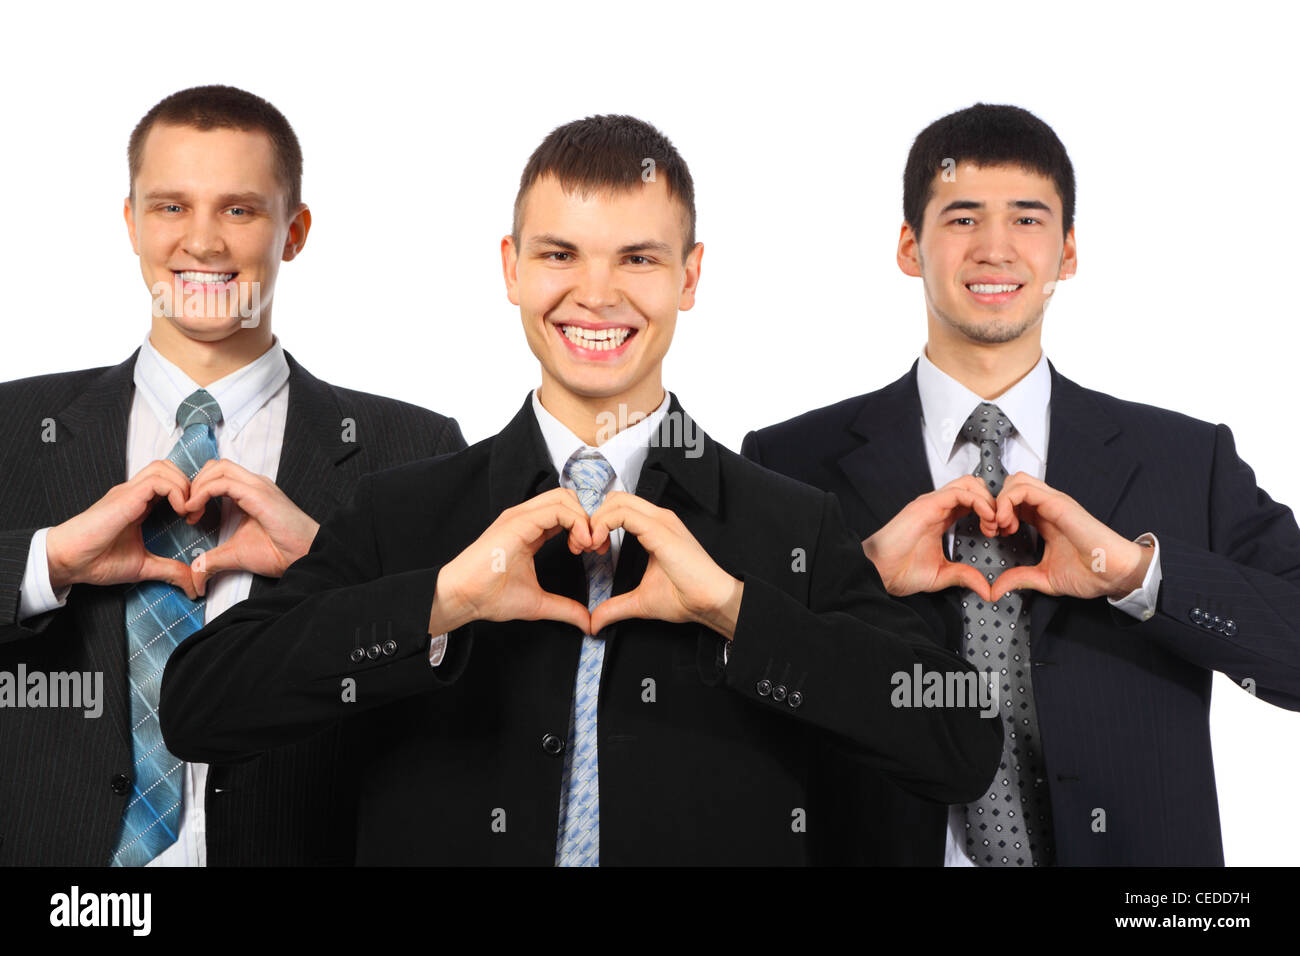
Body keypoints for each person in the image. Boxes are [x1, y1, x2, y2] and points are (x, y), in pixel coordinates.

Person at [160, 113, 1002, 865]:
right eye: (560, 255)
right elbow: (201, 706)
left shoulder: (791, 522)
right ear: (512, 268)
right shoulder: (402, 514)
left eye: (638, 258)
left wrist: (735, 612)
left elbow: (962, 744)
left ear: (690, 277)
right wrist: (440, 602)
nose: (595, 295)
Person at [741, 102, 1300, 866]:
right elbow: (725, 703)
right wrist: (855, 581)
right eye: (963, 218)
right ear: (909, 246)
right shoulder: (789, 459)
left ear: (1067, 252)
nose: (995, 248)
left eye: (1027, 219)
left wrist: (1137, 575)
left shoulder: (1185, 459)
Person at [0, 85, 465, 866]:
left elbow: (473, 707)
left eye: (240, 209)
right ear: (131, 222)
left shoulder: (414, 447)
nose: (203, 242)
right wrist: (47, 563)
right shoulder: (11, 429)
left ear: (295, 232)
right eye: (171, 207)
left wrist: (332, 574)